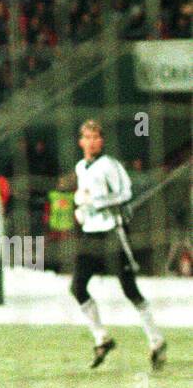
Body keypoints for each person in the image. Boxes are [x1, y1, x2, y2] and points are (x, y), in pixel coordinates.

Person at [71, 120, 166, 370]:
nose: (92, 142)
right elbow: (86, 200)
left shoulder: (110, 165)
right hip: (91, 235)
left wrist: (96, 202)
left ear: (102, 141)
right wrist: (82, 212)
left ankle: (156, 341)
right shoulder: (81, 167)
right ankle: (102, 338)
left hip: (113, 234)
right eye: (87, 137)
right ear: (81, 141)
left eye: (96, 137)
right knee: (77, 287)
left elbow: (125, 193)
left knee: (129, 290)